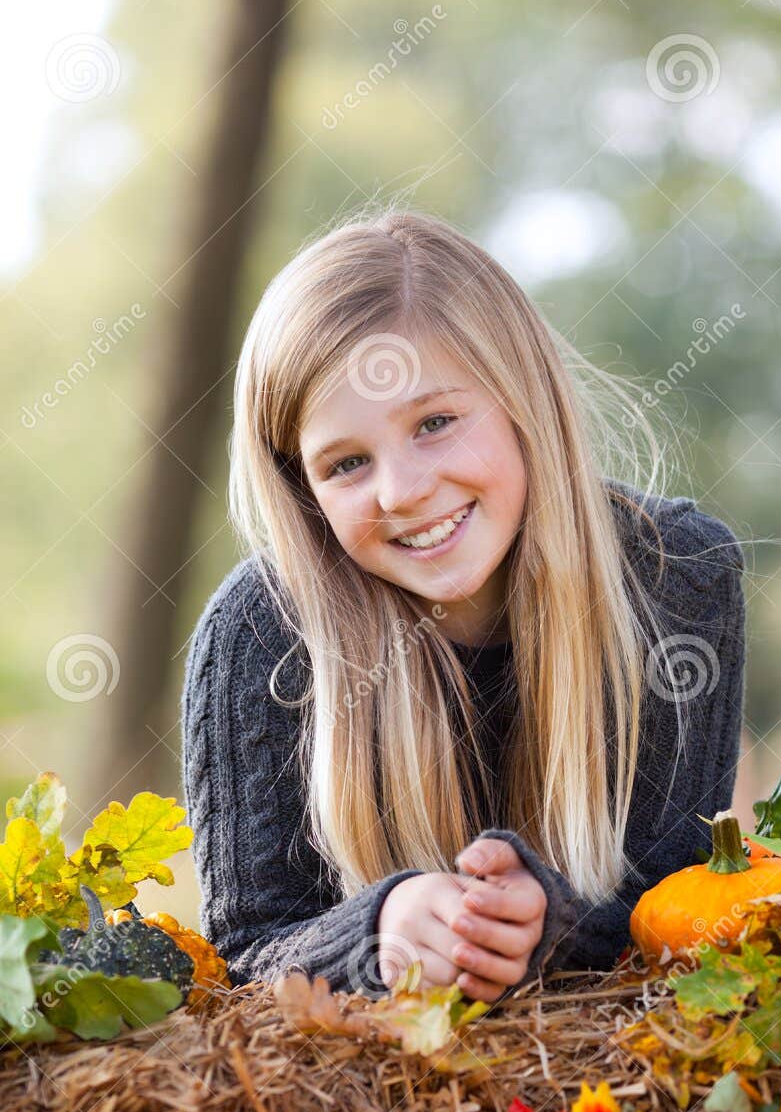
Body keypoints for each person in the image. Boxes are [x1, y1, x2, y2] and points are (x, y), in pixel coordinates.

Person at [180, 205, 747, 1005]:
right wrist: (379, 930)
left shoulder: (677, 579)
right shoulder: (261, 634)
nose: (403, 491)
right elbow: (246, 950)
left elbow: (682, 907)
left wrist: (546, 921)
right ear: (300, 490)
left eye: (436, 422)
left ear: (523, 398)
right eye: (345, 464)